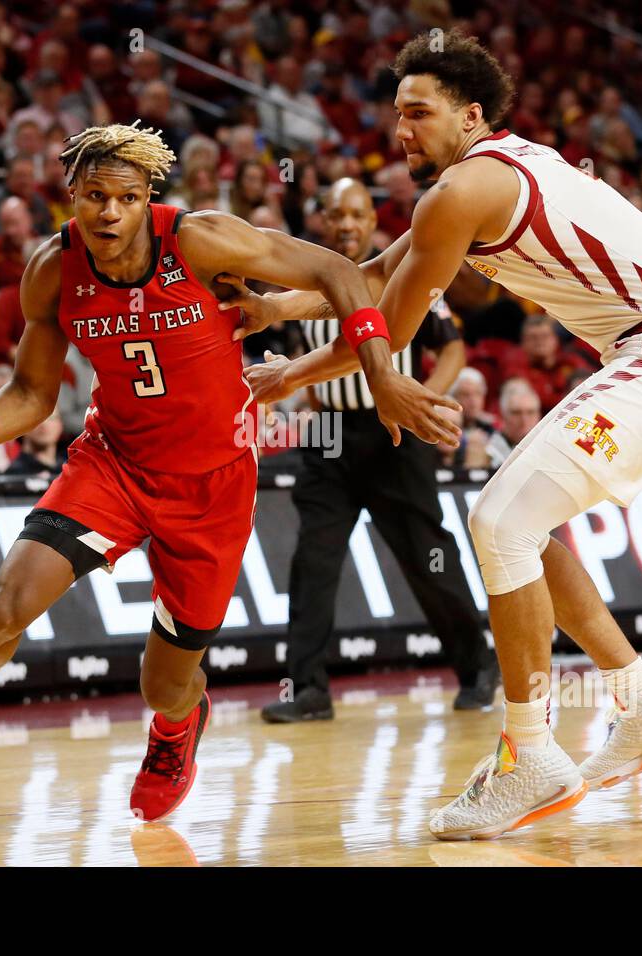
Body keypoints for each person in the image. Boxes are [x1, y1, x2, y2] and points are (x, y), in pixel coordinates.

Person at [0, 124, 454, 821]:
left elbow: (340, 273)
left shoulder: (200, 240)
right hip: (113, 464)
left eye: (127, 198)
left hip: (212, 486)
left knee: (162, 685)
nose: (109, 212)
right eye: (94, 197)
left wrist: (381, 374)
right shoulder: (52, 269)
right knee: (5, 605)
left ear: (147, 199)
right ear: (71, 196)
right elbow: (32, 395)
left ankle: (176, 726)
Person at [230, 32, 642, 839]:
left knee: (499, 522)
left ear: (470, 115)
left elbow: (389, 326)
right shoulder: (492, 170)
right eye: (396, 114)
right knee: (522, 527)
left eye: (419, 112)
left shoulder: (461, 190)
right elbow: (371, 280)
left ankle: (530, 753)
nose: (401, 130)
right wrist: (275, 311)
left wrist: (300, 376)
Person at [259, 178, 498, 724]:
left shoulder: (404, 271)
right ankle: (308, 690)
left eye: (357, 214)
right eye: (336, 215)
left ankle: (478, 667)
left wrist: (423, 400)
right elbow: (306, 362)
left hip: (394, 434)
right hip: (330, 436)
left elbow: (453, 349)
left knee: (427, 556)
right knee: (312, 562)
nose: (346, 224)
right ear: (322, 221)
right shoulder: (303, 280)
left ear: (371, 220)